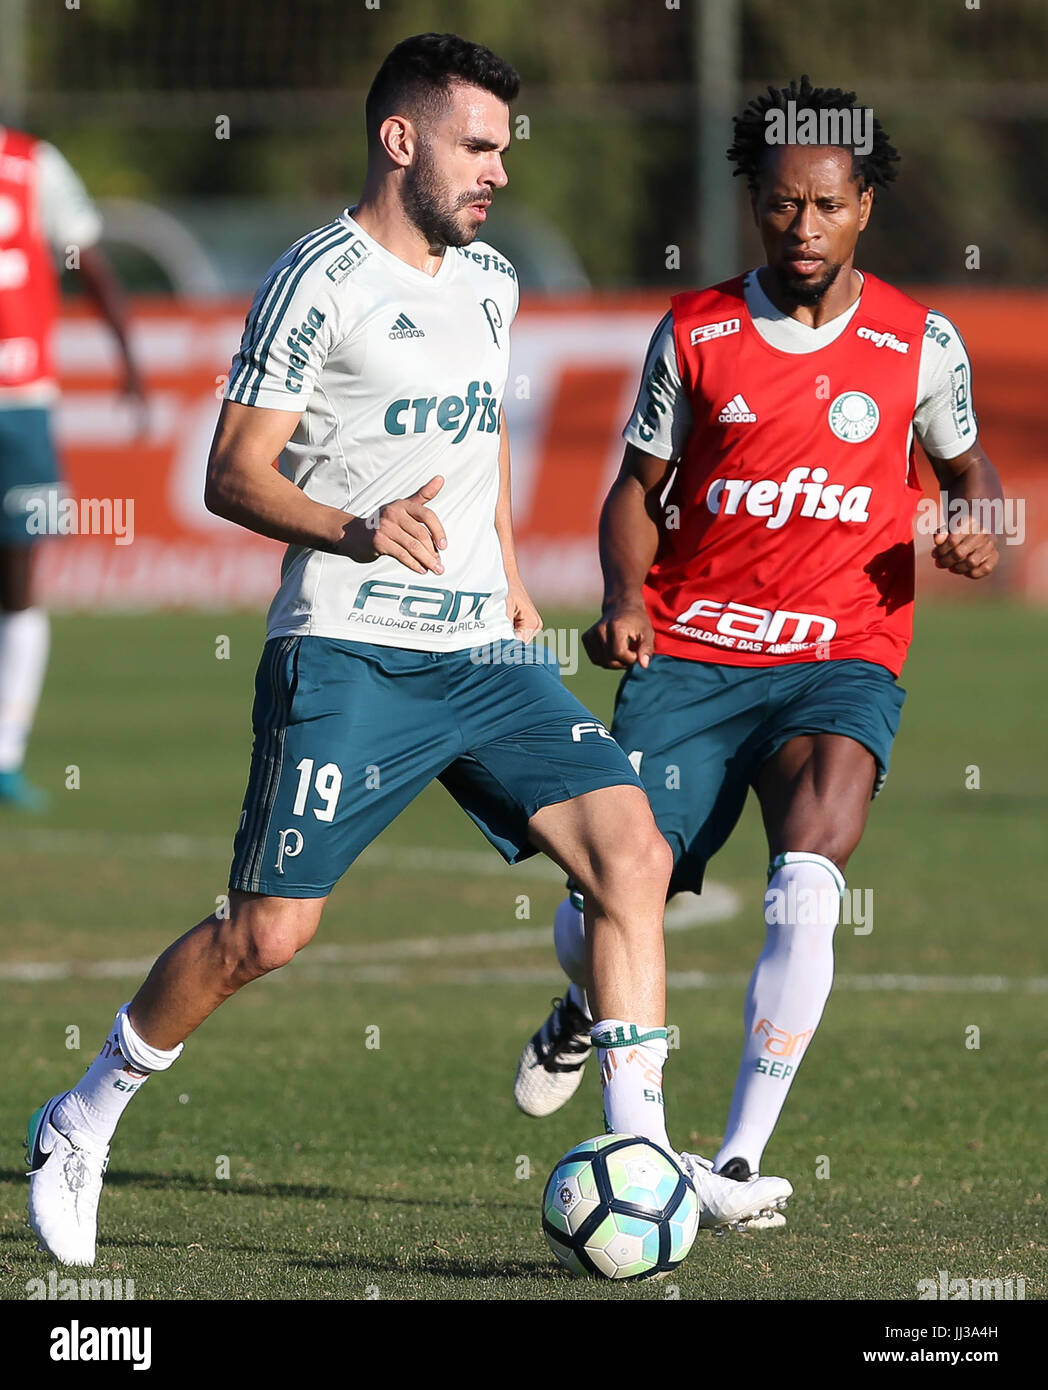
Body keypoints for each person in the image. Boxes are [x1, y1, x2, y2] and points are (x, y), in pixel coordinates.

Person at [26, 34, 790, 1269]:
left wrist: (509, 587)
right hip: (347, 652)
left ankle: (641, 1152)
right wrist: (356, 525)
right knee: (265, 933)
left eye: (504, 149)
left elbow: (477, 450)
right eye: (476, 146)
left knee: (632, 851)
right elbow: (231, 471)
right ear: (400, 140)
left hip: (484, 654)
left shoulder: (491, 283)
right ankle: (82, 1114)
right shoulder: (316, 279)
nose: (497, 170)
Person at [514, 77, 1002, 1207]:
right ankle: (585, 1005)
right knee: (609, 904)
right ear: (755, 202)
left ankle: (735, 1156)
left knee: (809, 879)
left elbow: (968, 467)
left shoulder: (918, 341)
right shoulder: (695, 334)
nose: (802, 227)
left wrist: (977, 523)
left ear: (864, 205)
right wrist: (622, 594)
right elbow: (636, 489)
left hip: (843, 651)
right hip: (690, 656)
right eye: (782, 205)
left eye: (826, 205)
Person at [0, 123, 144, 808]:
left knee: (20, 573)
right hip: (24, 410)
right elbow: (88, 264)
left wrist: (129, 358)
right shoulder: (33, 163)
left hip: (22, 407)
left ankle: (5, 756)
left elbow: (84, 260)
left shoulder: (35, 165)